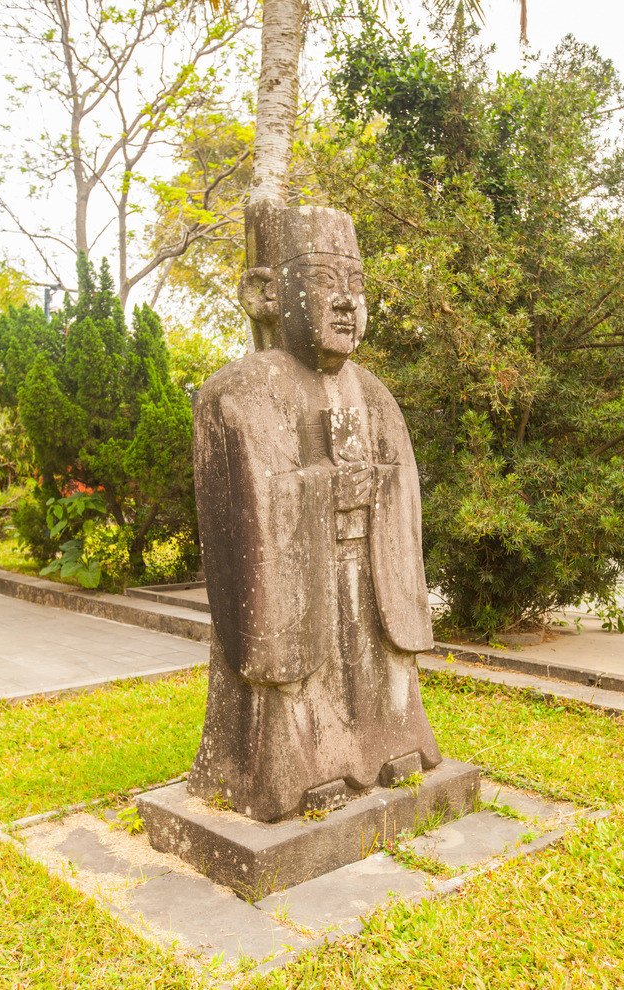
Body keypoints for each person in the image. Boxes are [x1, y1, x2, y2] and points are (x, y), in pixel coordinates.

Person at [188, 205, 441, 822]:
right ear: (266, 293)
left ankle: (388, 743)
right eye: (328, 283)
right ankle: (297, 772)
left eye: (357, 285)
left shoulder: (374, 393)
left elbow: (402, 487)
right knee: (295, 680)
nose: (347, 303)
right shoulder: (239, 390)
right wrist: (330, 489)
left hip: (365, 569)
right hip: (295, 582)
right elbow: (248, 502)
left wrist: (370, 492)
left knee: (376, 661)